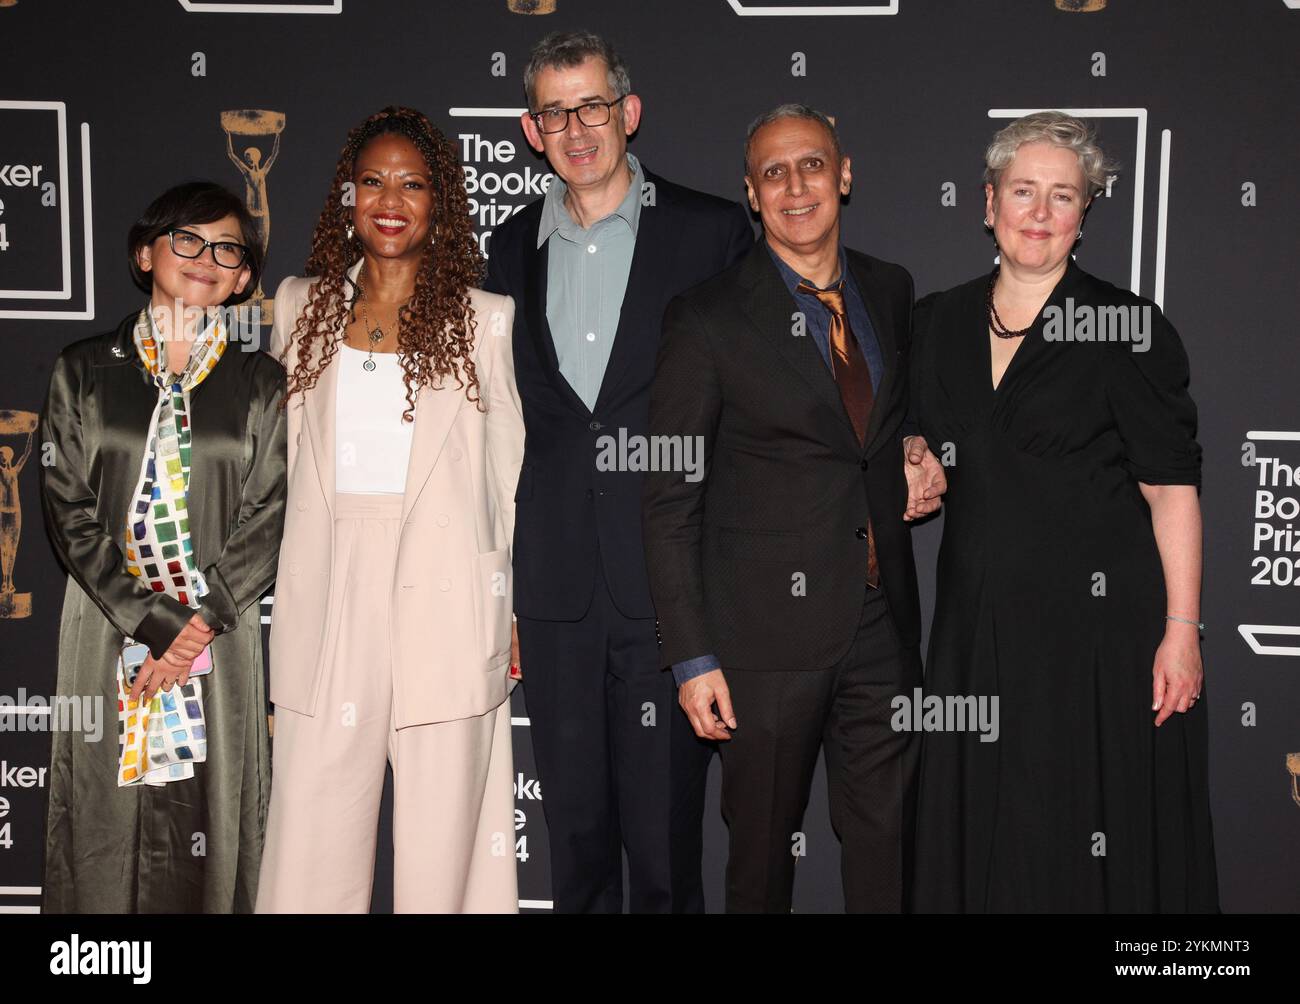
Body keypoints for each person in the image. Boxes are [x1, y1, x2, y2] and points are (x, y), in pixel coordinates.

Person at [910, 111, 1219, 912]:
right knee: (984, 837)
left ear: (1084, 216)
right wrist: (914, 461)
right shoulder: (935, 322)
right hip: (975, 632)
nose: (1040, 212)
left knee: (1080, 832)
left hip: (1096, 640)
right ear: (988, 204)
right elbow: (920, 441)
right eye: (1023, 191)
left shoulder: (1126, 328)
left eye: (1062, 196)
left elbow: (1171, 489)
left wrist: (1182, 633)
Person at [642, 104, 947, 913]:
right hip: (761, 644)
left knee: (890, 854)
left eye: (811, 164)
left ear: (844, 175)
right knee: (761, 865)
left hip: (884, 627)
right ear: (751, 195)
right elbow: (669, 499)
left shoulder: (889, 288)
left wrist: (914, 444)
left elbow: (877, 422)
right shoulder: (705, 317)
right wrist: (693, 657)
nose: (795, 185)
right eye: (773, 173)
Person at [484, 31, 754, 913]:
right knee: (577, 840)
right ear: (532, 130)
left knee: (668, 846)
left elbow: (762, 397)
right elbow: (499, 426)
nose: (578, 128)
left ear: (628, 114)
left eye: (593, 106)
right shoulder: (506, 248)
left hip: (670, 589)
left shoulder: (713, 231)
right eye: (556, 112)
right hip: (556, 592)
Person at [255, 106, 523, 913]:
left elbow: (509, 475)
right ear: (348, 195)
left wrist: (507, 600)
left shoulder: (487, 321)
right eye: (373, 180)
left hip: (447, 591)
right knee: (311, 827)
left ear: (440, 201)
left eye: (413, 182)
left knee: (452, 839)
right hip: (329, 590)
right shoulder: (299, 307)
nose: (391, 198)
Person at [39, 181, 285, 912]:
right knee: (100, 813)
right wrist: (152, 622)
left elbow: (269, 512)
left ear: (243, 277)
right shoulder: (84, 370)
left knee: (213, 816)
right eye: (187, 239)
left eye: (227, 248)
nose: (205, 258)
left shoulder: (260, 381)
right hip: (106, 625)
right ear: (146, 253)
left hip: (218, 632)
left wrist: (196, 623)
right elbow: (68, 510)